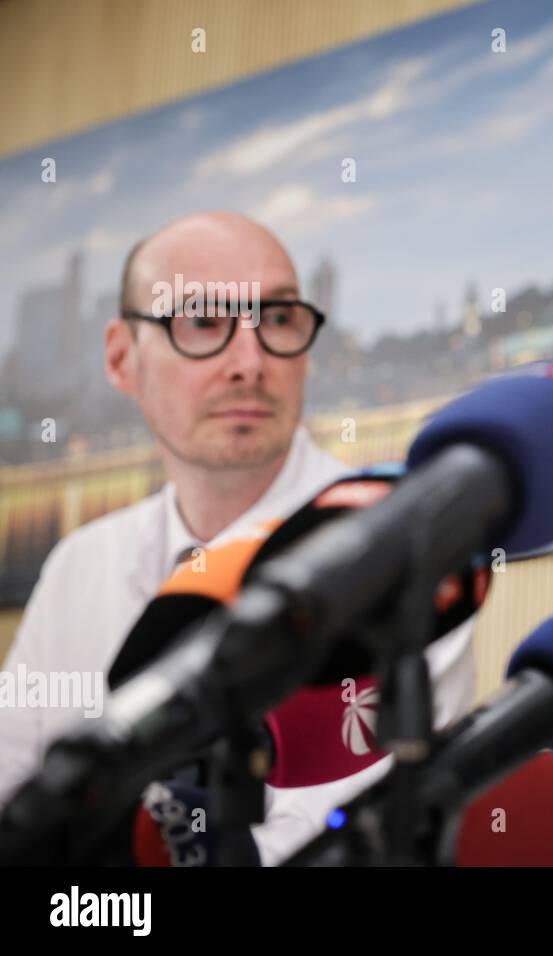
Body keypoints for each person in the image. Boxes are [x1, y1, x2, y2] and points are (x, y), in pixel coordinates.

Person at [0, 211, 475, 864]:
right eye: (202, 322)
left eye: (278, 321)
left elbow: (330, 846)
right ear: (121, 358)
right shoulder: (80, 566)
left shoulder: (402, 559)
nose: (249, 362)